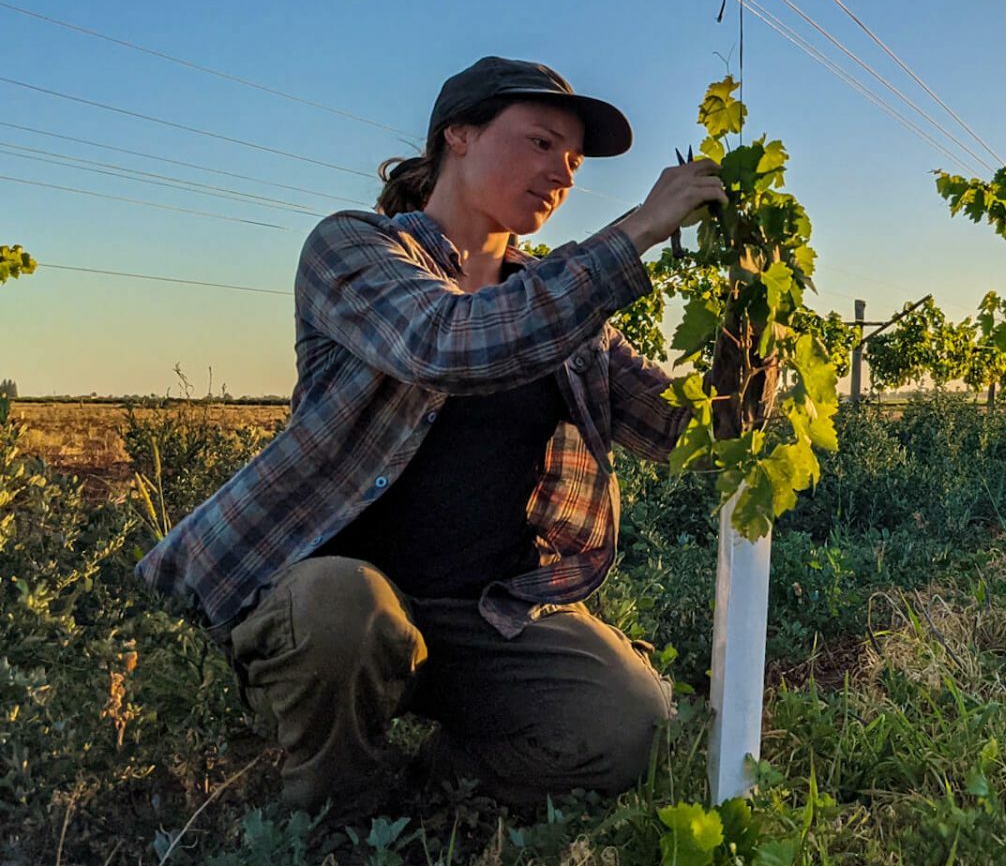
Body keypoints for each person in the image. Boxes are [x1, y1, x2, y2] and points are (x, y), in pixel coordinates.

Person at [135, 56, 726, 818]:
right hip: (342, 605)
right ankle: (331, 818)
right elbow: (448, 341)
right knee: (345, 608)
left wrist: (752, 327)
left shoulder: (560, 303)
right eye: (542, 143)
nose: (563, 173)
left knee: (629, 725)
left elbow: (679, 427)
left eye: (574, 161)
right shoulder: (354, 249)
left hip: (486, 612)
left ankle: (422, 793)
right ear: (459, 134)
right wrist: (638, 230)